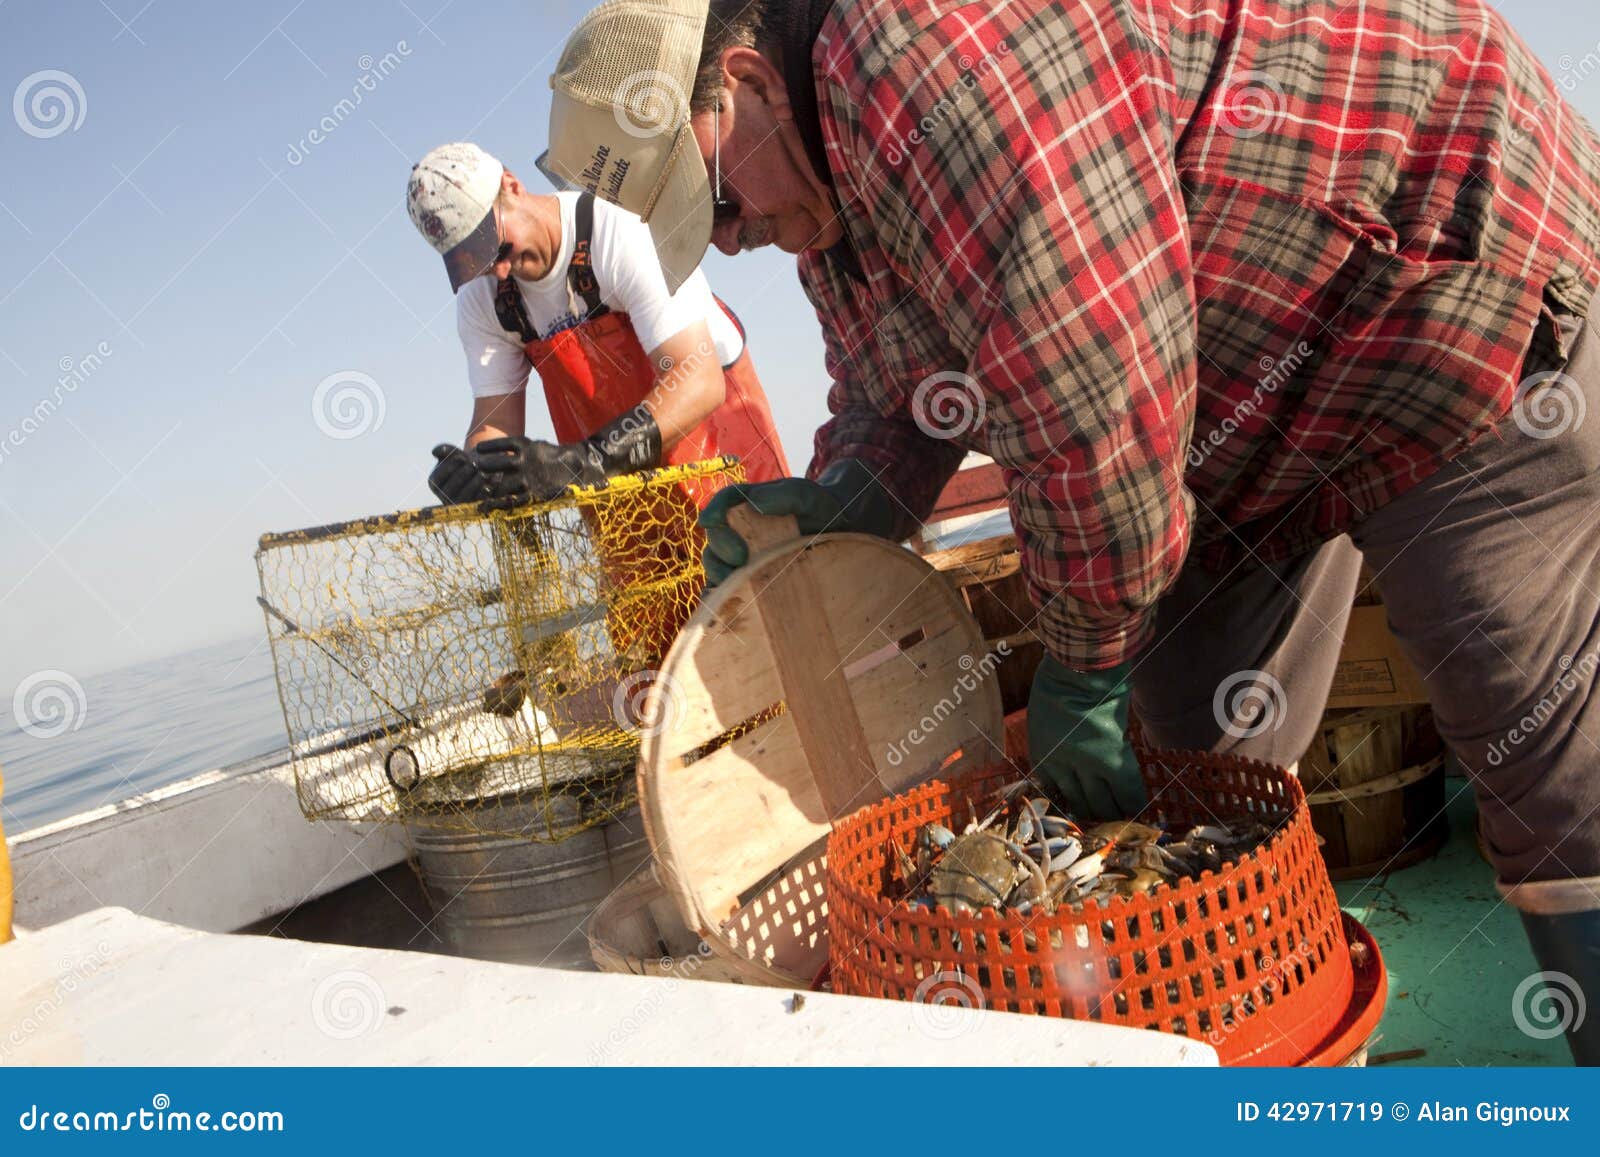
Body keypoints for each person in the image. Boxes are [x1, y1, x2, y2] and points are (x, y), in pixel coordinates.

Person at [546, 0, 1600, 1062]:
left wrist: (1082, 669)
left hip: (1448, 293)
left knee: (1545, 751)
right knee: (1186, 775)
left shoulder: (936, 56)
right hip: (1236, 420)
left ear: (749, 82)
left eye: (717, 203)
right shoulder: (827, 186)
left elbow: (1098, 392)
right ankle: (1222, 1061)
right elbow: (898, 387)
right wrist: (847, 498)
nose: (730, 240)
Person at [405, 142, 788, 510]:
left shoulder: (617, 228)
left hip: (720, 458)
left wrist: (583, 462)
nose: (499, 270)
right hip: (620, 500)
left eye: (498, 249)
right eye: (478, 263)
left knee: (762, 573)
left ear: (512, 185)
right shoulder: (485, 297)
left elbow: (698, 382)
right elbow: (497, 422)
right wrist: (479, 470)